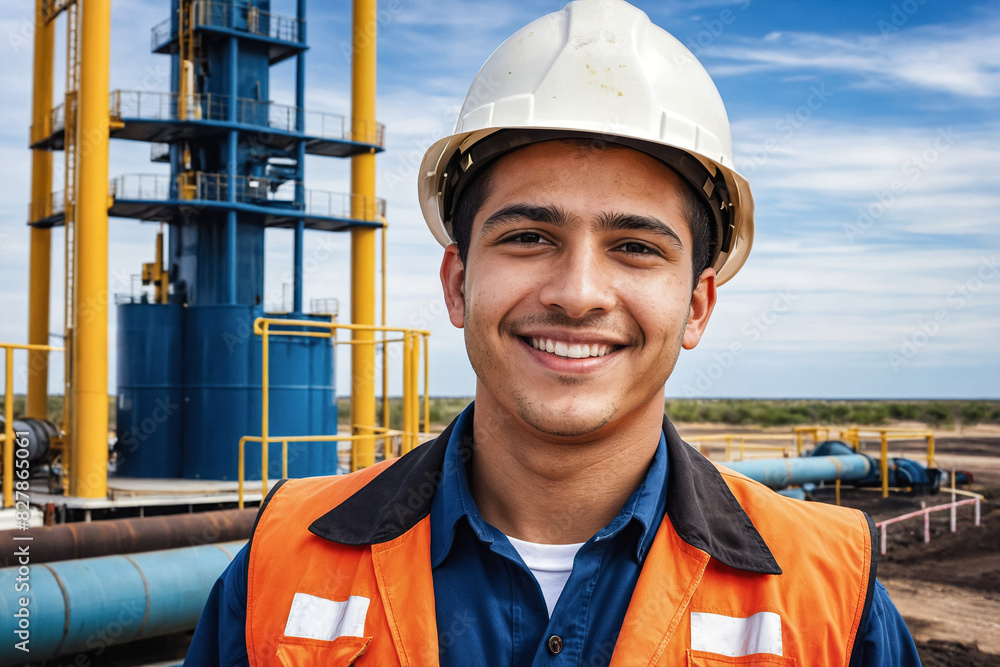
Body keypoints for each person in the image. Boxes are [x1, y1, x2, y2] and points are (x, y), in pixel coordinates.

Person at [186, 1, 922, 665]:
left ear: (698, 305)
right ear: (457, 282)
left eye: (635, 247)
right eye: (530, 237)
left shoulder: (831, 594)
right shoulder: (282, 563)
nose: (577, 294)